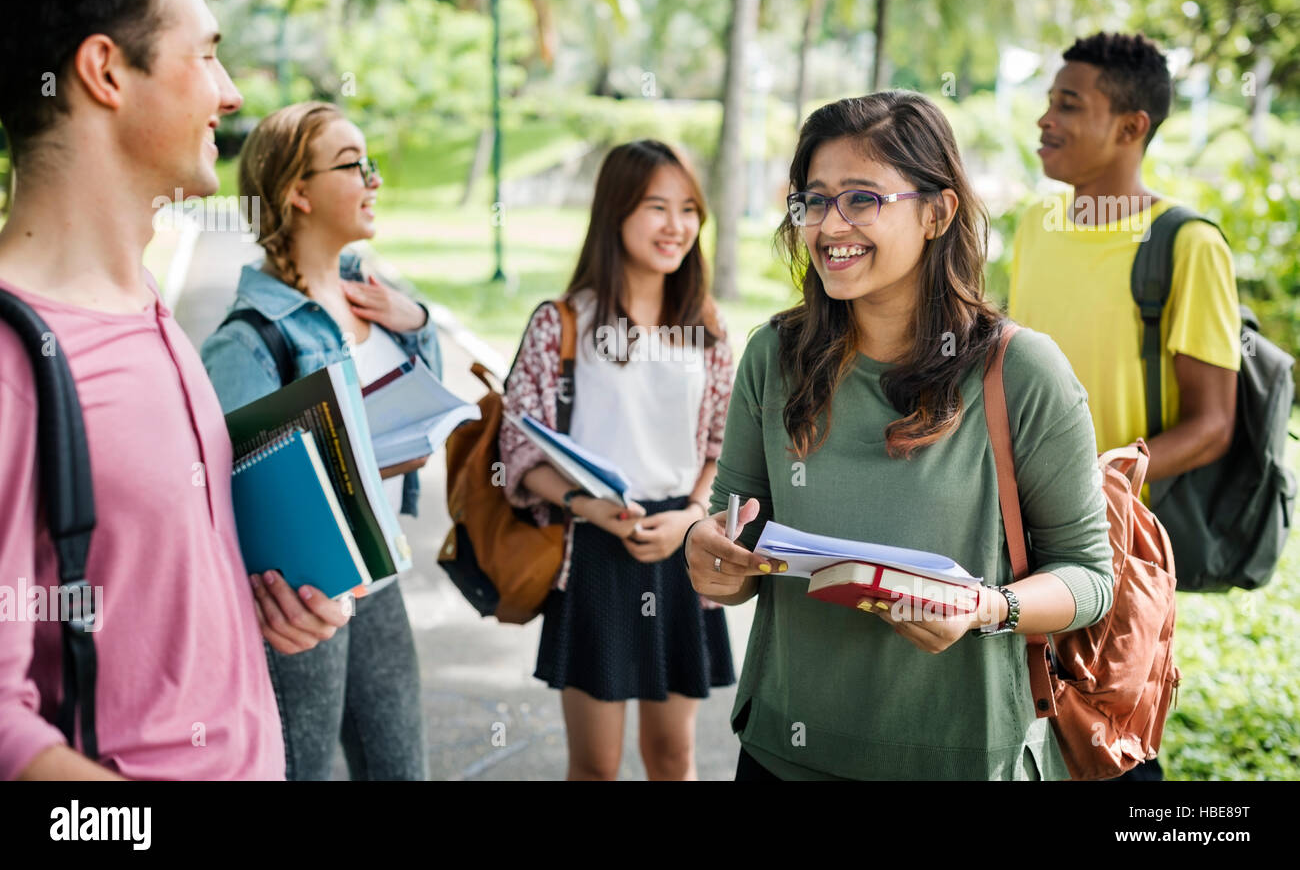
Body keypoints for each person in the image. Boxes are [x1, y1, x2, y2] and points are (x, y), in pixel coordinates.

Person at [0, 0, 347, 781]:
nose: (229, 94)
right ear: (106, 72)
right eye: (205, 56)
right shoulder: (12, 365)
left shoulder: (149, 308)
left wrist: (249, 599)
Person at [683, 92, 1115, 781]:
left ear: (937, 212)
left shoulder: (1022, 371)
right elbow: (733, 543)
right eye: (813, 200)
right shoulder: (773, 356)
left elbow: (1091, 578)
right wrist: (713, 560)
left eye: (861, 198)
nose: (830, 224)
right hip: (783, 755)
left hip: (961, 760)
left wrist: (986, 608)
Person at [1009, 32, 1241, 780]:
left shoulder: (1188, 243)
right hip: (1013, 524)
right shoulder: (1033, 227)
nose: (1046, 119)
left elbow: (1212, 423)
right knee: (1016, 724)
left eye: (1068, 105)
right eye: (1048, 102)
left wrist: (1104, 477)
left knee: (1106, 741)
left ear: (1132, 126)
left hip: (1117, 539)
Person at [201, 101, 440, 781]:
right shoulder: (248, 339)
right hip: (302, 596)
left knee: (399, 767)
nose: (374, 178)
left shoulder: (374, 288)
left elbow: (430, 388)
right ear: (296, 192)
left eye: (371, 162)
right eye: (352, 163)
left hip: (378, 575)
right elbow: (226, 499)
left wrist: (417, 319)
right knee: (298, 767)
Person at [499, 139, 736, 780]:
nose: (676, 226)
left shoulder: (706, 326)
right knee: (597, 767)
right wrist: (589, 508)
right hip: (596, 548)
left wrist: (692, 515)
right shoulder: (563, 323)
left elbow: (722, 445)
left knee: (673, 757)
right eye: (656, 206)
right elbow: (518, 447)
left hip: (681, 548)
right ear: (615, 212)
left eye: (689, 209)